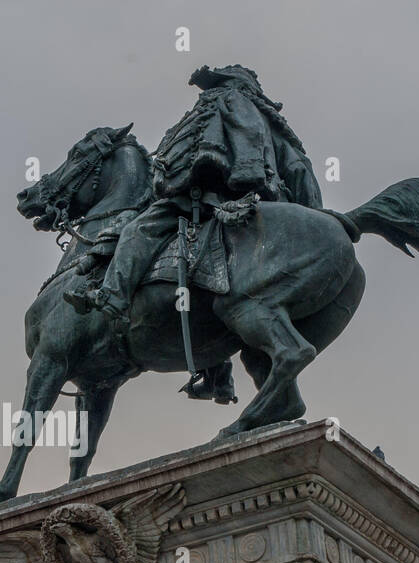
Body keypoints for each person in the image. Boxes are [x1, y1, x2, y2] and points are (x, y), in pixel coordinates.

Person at [64, 66, 323, 403]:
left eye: (210, 87)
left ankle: (112, 295)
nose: (204, 94)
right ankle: (217, 374)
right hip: (251, 206)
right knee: (215, 290)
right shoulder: (273, 124)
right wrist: (312, 214)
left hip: (201, 200)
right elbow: (299, 169)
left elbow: (191, 161)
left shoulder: (223, 104)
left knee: (138, 230)